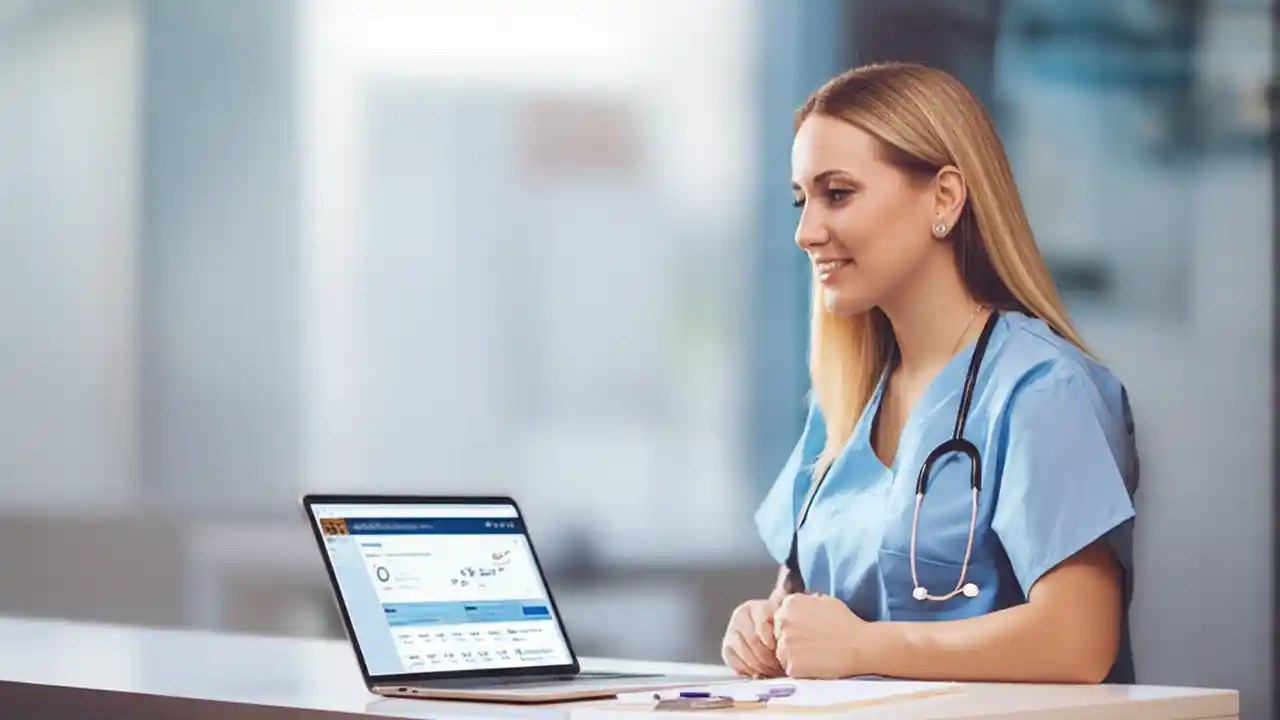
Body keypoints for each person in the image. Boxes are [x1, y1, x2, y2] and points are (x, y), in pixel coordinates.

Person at [722, 63, 1138, 685]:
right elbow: (803, 604)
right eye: (800, 199)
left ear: (944, 197)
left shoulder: (1040, 388)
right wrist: (764, 629)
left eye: (837, 193)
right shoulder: (843, 399)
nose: (806, 232)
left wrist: (865, 649)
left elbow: (1078, 640)